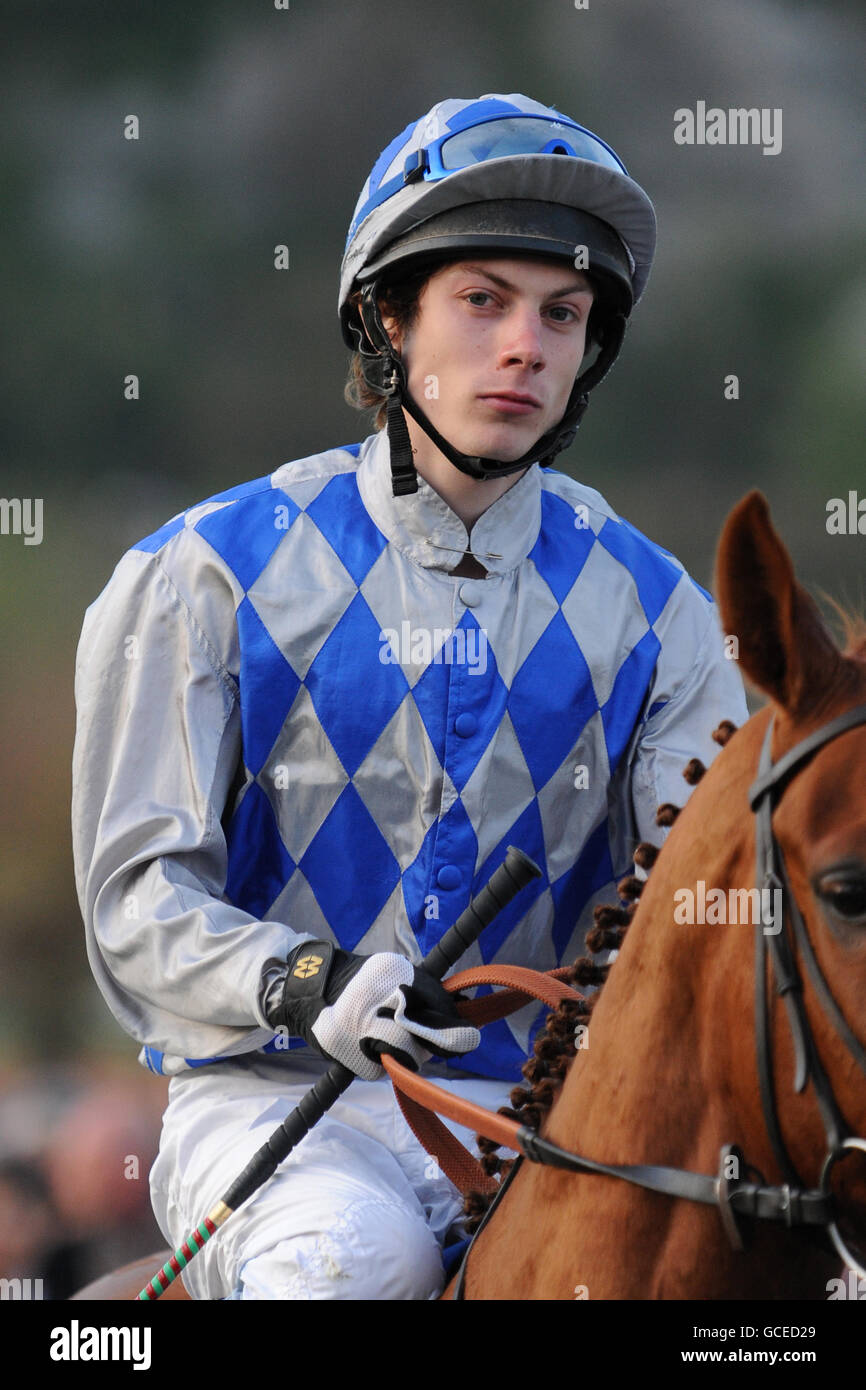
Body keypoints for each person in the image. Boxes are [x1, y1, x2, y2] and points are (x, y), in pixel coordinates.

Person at [72, 92, 748, 1300]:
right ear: (388, 319)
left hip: (547, 1123)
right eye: (480, 302)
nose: (524, 347)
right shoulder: (206, 570)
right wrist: (308, 981)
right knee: (352, 1264)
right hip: (277, 1109)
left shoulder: (661, 610)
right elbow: (135, 899)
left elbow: (701, 900)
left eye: (562, 314)